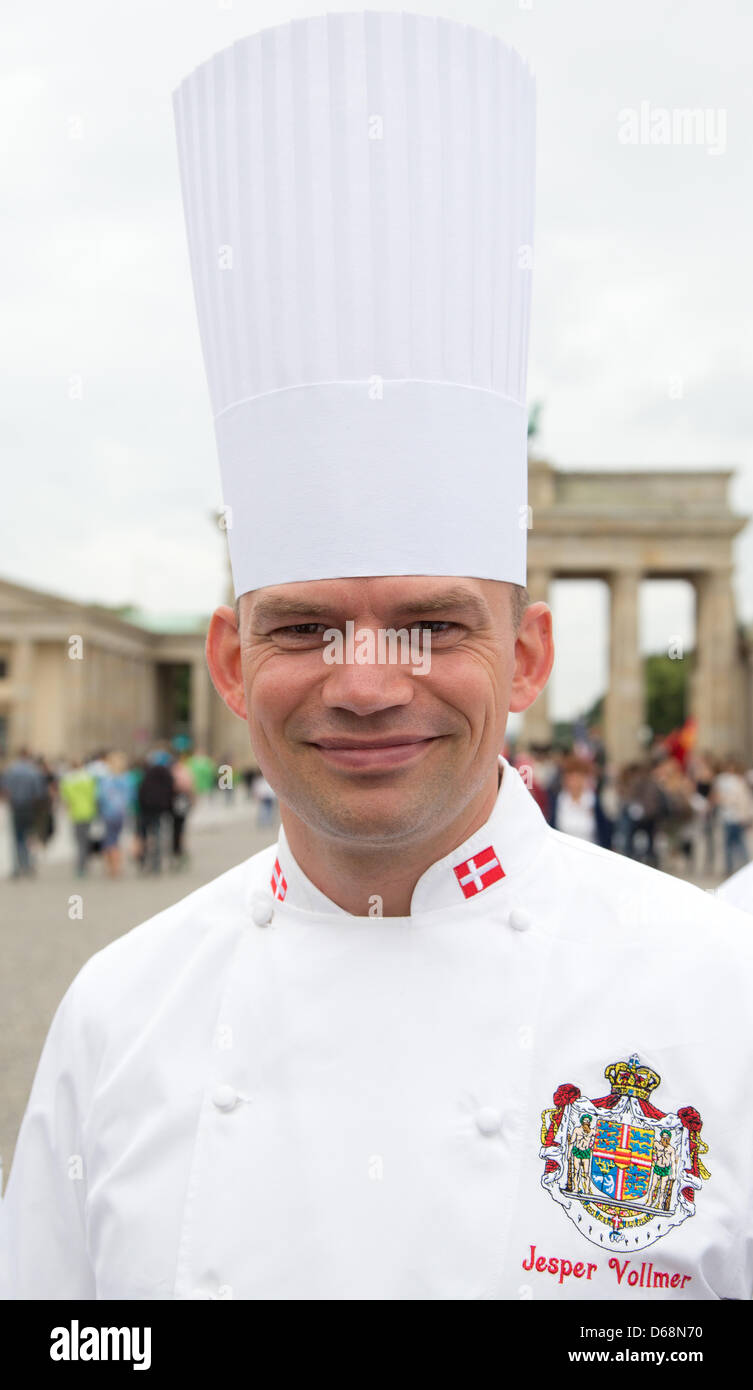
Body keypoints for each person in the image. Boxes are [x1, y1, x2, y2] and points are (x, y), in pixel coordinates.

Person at [3, 14, 753, 1304]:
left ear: (526, 655)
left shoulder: (721, 998)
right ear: (230, 663)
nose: (364, 679)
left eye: (430, 622)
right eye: (302, 627)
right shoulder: (117, 1012)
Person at [0, 748, 46, 878]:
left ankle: (17, 867)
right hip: (30, 807)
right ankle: (29, 865)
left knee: (17, 838)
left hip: (16, 806)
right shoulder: (33, 771)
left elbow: (5, 789)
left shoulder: (11, 770)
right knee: (30, 837)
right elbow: (39, 793)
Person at [713, 758, 753, 878]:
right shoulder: (725, 780)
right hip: (729, 817)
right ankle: (734, 868)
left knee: (738, 844)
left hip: (736, 817)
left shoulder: (737, 782)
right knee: (731, 844)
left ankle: (743, 867)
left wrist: (745, 816)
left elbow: (742, 801)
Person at [95, 751, 132, 879]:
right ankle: (117, 866)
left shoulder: (106, 779)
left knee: (109, 839)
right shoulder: (126, 778)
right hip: (120, 813)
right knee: (116, 839)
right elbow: (129, 797)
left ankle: (110, 866)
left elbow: (99, 796)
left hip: (108, 813)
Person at [58, 757, 97, 878]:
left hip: (75, 813)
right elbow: (95, 795)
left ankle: (80, 865)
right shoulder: (89, 779)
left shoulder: (68, 780)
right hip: (88, 811)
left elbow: (65, 798)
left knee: (79, 841)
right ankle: (84, 862)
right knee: (85, 839)